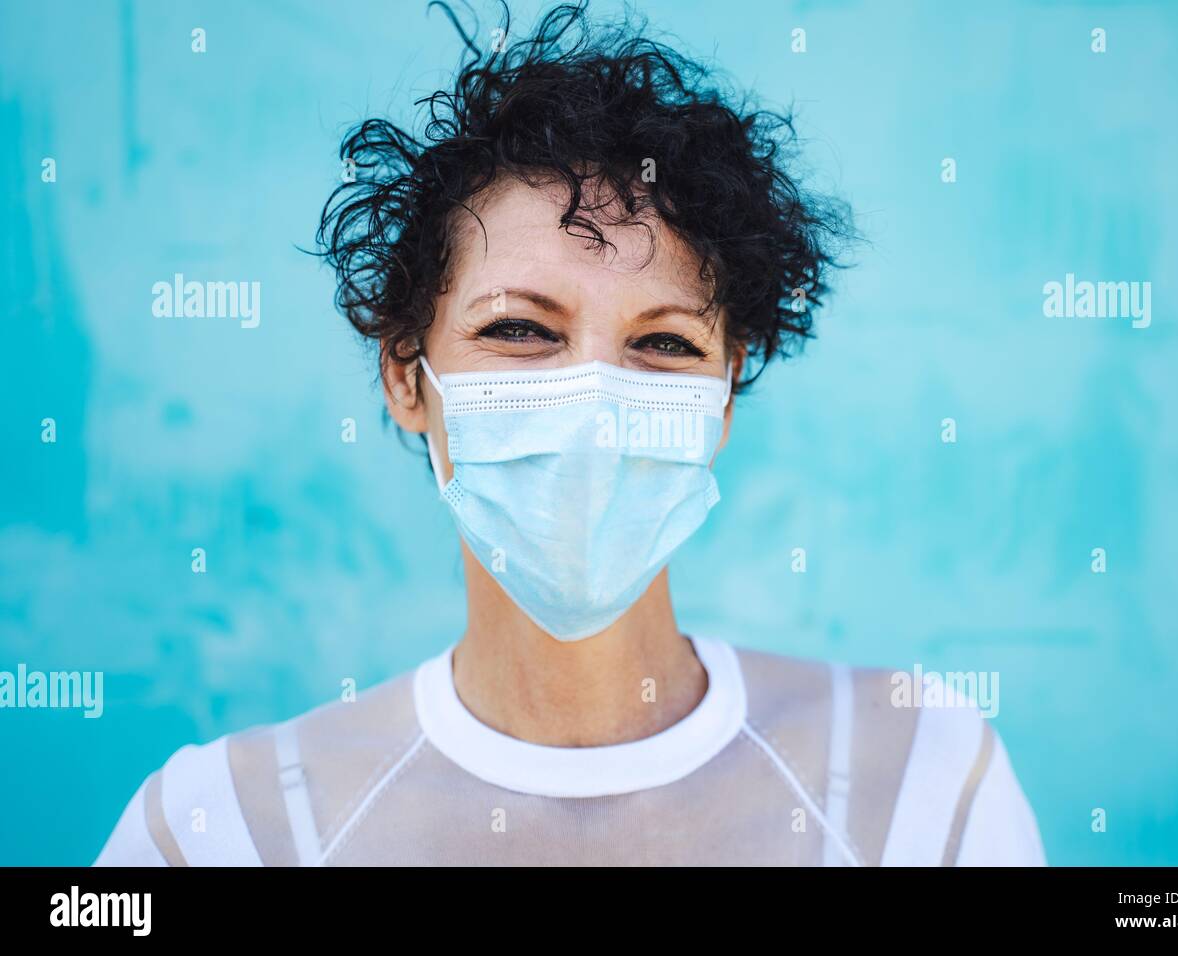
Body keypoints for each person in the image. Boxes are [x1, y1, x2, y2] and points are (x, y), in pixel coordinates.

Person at [94, 1, 1045, 867]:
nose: (594, 399)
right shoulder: (217, 828)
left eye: (664, 341)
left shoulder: (923, 782)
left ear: (722, 399)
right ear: (404, 373)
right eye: (519, 329)